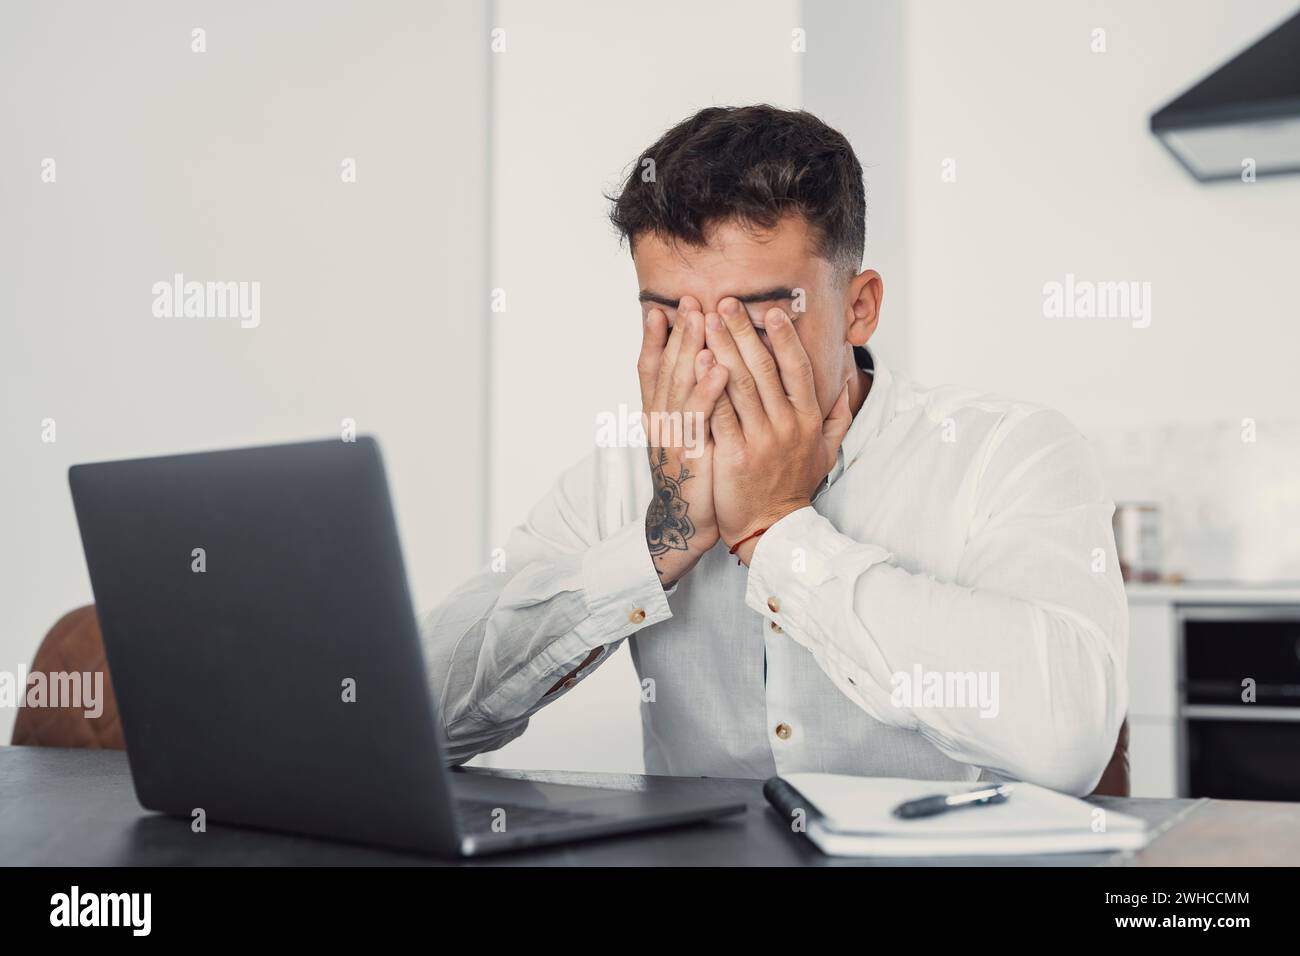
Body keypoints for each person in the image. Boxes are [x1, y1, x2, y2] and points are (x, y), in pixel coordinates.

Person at [421, 104, 1127, 795]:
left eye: (755, 324)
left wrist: (780, 531)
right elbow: (421, 722)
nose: (711, 365)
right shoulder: (622, 479)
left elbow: (1068, 744)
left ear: (859, 307)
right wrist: (660, 539)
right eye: (670, 324)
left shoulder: (1009, 452)